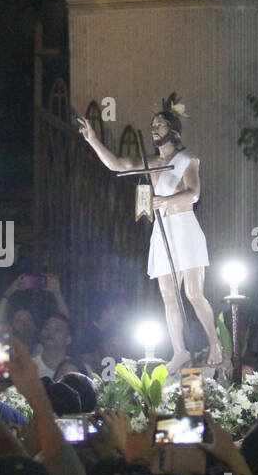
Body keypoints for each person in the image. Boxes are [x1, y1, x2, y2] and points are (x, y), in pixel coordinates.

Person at [77, 97, 222, 372]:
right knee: (168, 294)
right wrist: (92, 140)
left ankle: (214, 342)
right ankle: (180, 351)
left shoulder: (187, 160)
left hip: (184, 227)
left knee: (193, 292)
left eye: (160, 124)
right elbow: (117, 165)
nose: (154, 128)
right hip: (163, 229)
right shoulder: (154, 162)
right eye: (153, 124)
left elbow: (194, 193)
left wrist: (166, 201)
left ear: (173, 130)